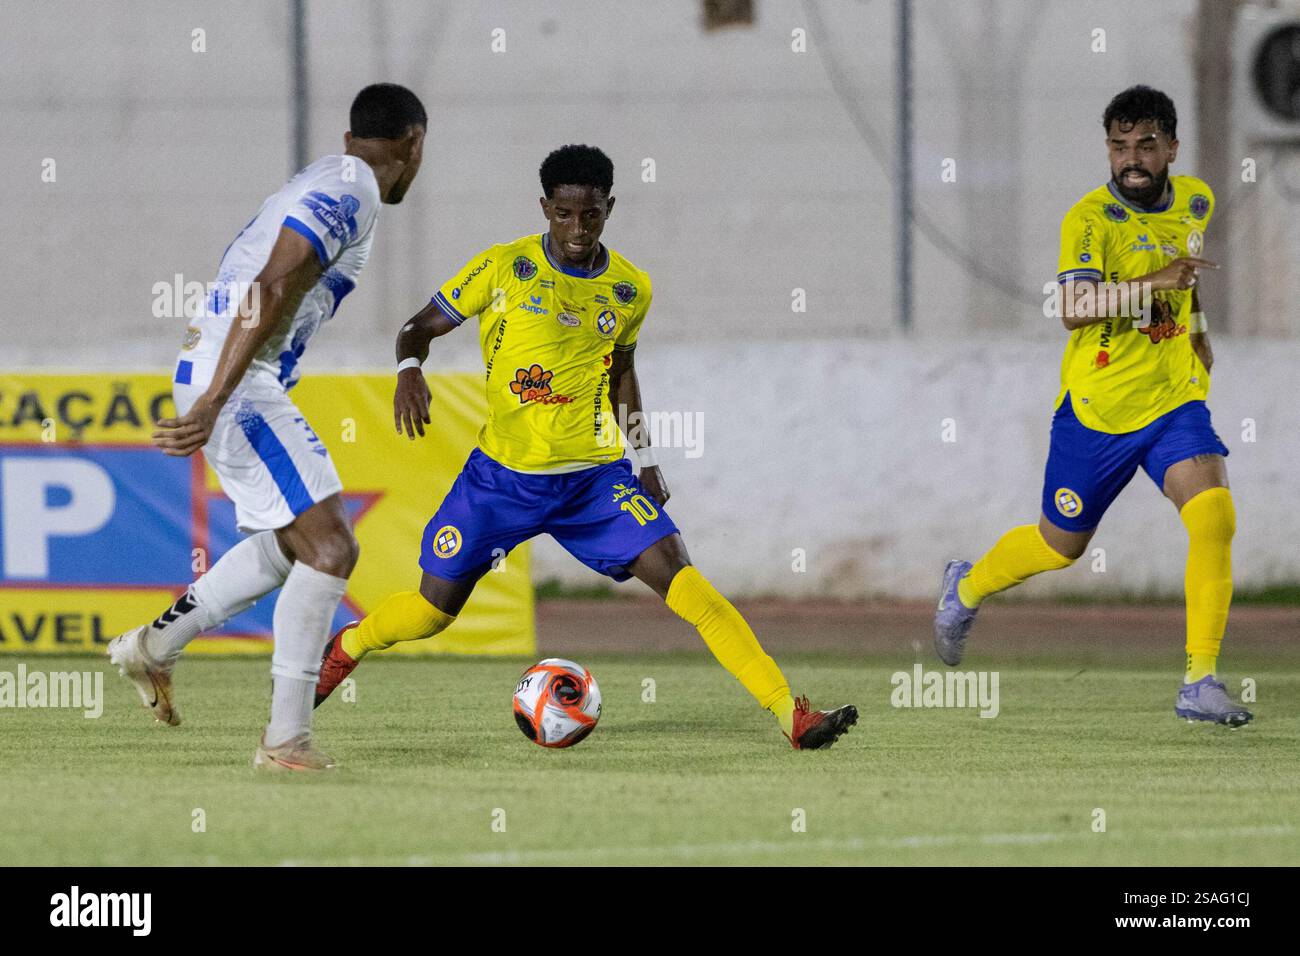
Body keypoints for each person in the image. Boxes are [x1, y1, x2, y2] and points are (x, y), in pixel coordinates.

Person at [313, 144, 858, 750]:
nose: (577, 230)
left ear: (609, 209)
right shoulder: (502, 268)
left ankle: (791, 714)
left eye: (591, 215)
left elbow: (622, 374)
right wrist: (410, 368)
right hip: (500, 480)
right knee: (430, 612)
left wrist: (646, 458)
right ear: (545, 208)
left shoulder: (629, 288)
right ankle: (347, 648)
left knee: (687, 582)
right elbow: (417, 327)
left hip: (594, 481)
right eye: (564, 214)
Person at [108, 83, 428, 770]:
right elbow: (272, 287)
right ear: (413, 143)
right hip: (238, 383)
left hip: (239, 376)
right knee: (332, 550)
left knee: (292, 544)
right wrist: (215, 400)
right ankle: (286, 740)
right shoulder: (355, 188)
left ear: (350, 136)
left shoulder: (331, 174)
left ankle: (153, 648)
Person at [934, 86, 1250, 726]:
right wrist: (1154, 284)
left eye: (1145, 146)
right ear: (1108, 149)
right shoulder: (1087, 221)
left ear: (1172, 148)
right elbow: (1074, 311)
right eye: (1118, 146)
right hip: (1097, 411)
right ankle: (966, 586)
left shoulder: (1196, 199)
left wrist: (1197, 333)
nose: (1131, 159)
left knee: (1214, 516)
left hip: (1172, 401)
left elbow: (1184, 277)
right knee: (1059, 547)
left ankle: (1200, 680)